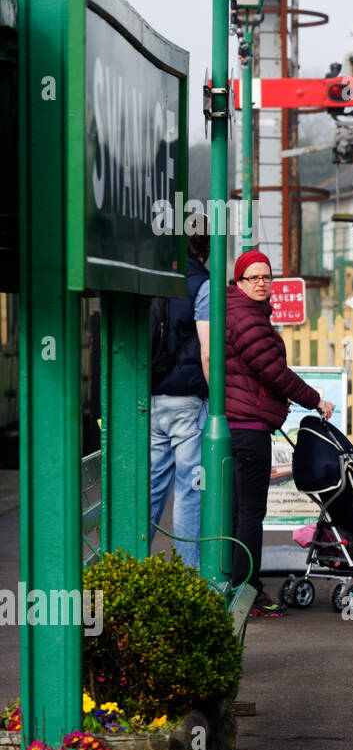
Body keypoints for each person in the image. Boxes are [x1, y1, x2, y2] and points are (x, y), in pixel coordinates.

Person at [226, 250, 335, 617]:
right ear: (239, 282)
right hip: (248, 426)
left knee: (238, 511)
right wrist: (314, 399)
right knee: (250, 512)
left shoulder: (242, 313)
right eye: (252, 277)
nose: (261, 283)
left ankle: (235, 583)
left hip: (240, 424)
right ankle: (248, 589)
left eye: (266, 277)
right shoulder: (247, 319)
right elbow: (274, 373)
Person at [149, 229, 211, 569]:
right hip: (188, 401)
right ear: (206, 250)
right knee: (190, 487)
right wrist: (216, 397)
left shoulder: (156, 278)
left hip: (154, 397)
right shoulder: (203, 285)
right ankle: (192, 570)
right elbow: (208, 352)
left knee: (153, 486)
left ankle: (127, 560)